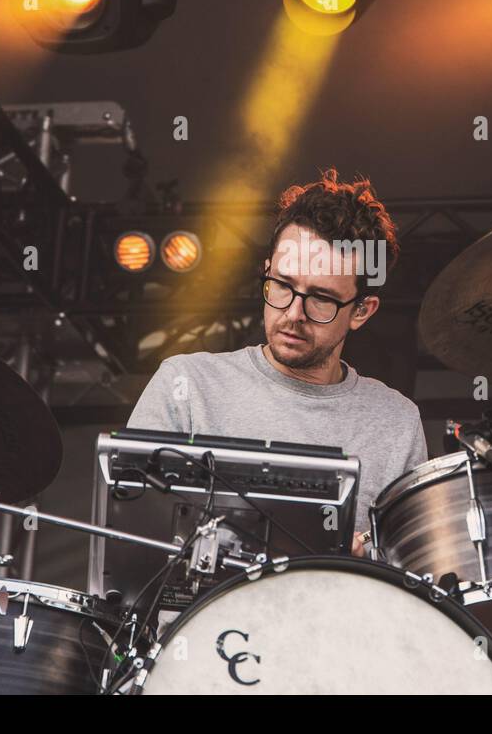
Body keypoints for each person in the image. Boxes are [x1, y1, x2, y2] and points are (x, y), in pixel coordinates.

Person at [127, 168, 428, 556]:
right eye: (283, 286)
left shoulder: (396, 422)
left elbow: (414, 574)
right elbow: (131, 535)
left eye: (321, 298)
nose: (293, 313)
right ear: (267, 271)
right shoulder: (186, 383)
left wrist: (370, 557)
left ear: (362, 311)